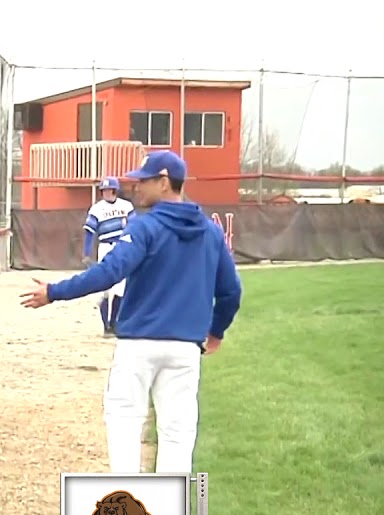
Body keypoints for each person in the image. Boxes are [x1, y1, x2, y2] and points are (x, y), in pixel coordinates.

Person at [20, 151, 243, 474]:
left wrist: (55, 292)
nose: (136, 186)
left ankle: (127, 504)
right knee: (177, 434)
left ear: (164, 182)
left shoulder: (145, 227)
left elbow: (109, 272)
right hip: (185, 347)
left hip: (139, 343)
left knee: (124, 421)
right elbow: (231, 291)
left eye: (144, 180)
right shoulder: (209, 232)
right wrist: (217, 330)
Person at [84, 176, 137, 337]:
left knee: (120, 288)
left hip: (122, 246)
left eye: (109, 190)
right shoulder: (97, 209)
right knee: (105, 288)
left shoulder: (126, 206)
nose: (106, 193)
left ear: (115, 190)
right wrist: (86, 253)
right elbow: (89, 232)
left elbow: (134, 227)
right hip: (105, 247)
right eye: (104, 190)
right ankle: (106, 326)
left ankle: (114, 324)